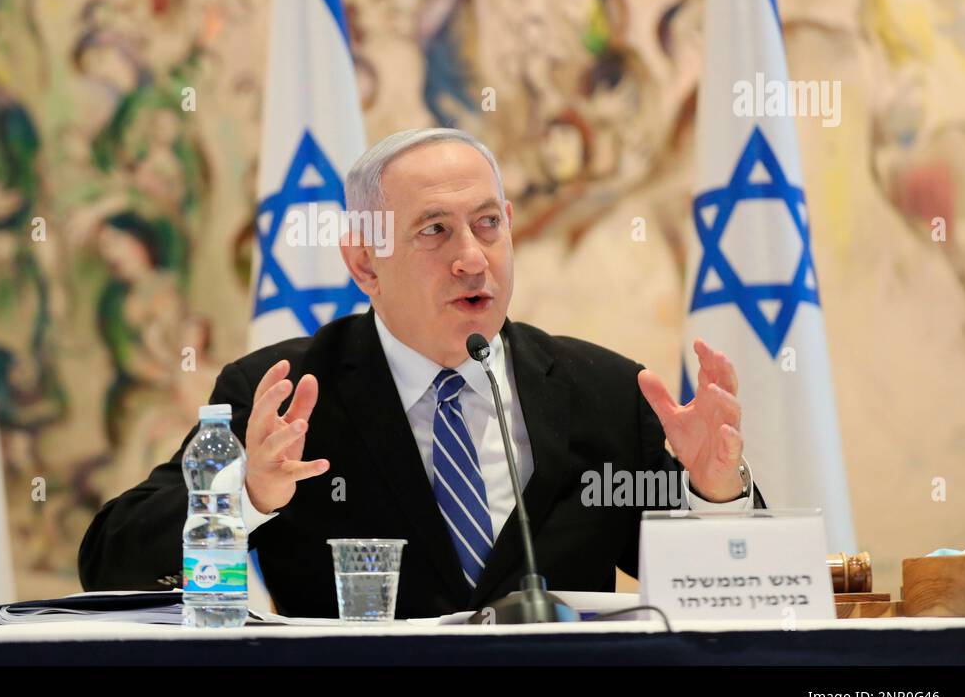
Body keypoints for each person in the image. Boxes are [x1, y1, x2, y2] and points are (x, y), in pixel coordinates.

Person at [79, 128, 763, 618]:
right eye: (434, 230)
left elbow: (734, 594)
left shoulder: (605, 392)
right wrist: (246, 493)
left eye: (488, 224)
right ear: (364, 264)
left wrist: (716, 492)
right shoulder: (286, 396)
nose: (472, 258)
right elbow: (111, 563)